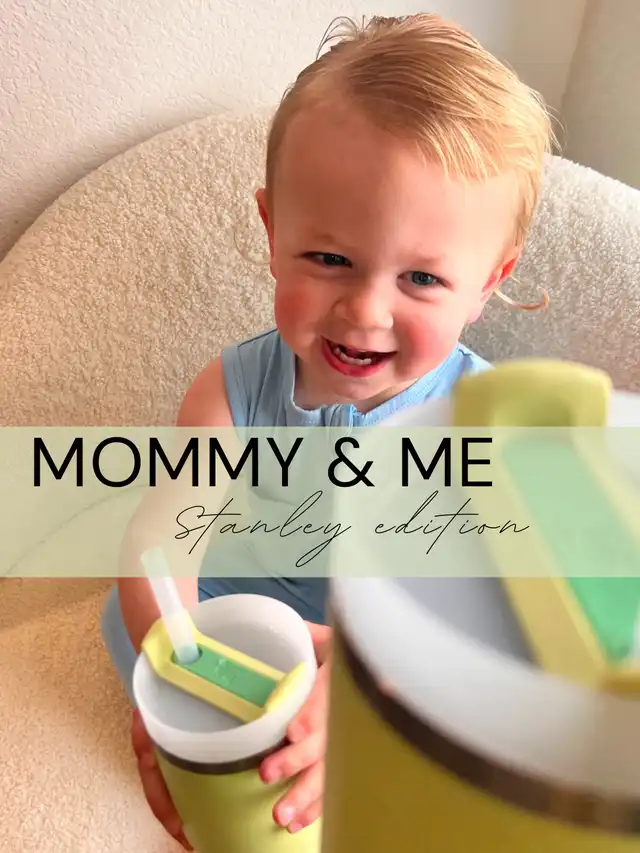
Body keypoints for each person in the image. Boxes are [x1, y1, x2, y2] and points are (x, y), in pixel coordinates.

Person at [101, 12, 553, 849]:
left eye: (422, 278)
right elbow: (163, 531)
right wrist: (176, 660)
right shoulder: (233, 389)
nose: (366, 310)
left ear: (488, 281)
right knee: (131, 617)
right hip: (252, 613)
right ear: (274, 233)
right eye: (330, 259)